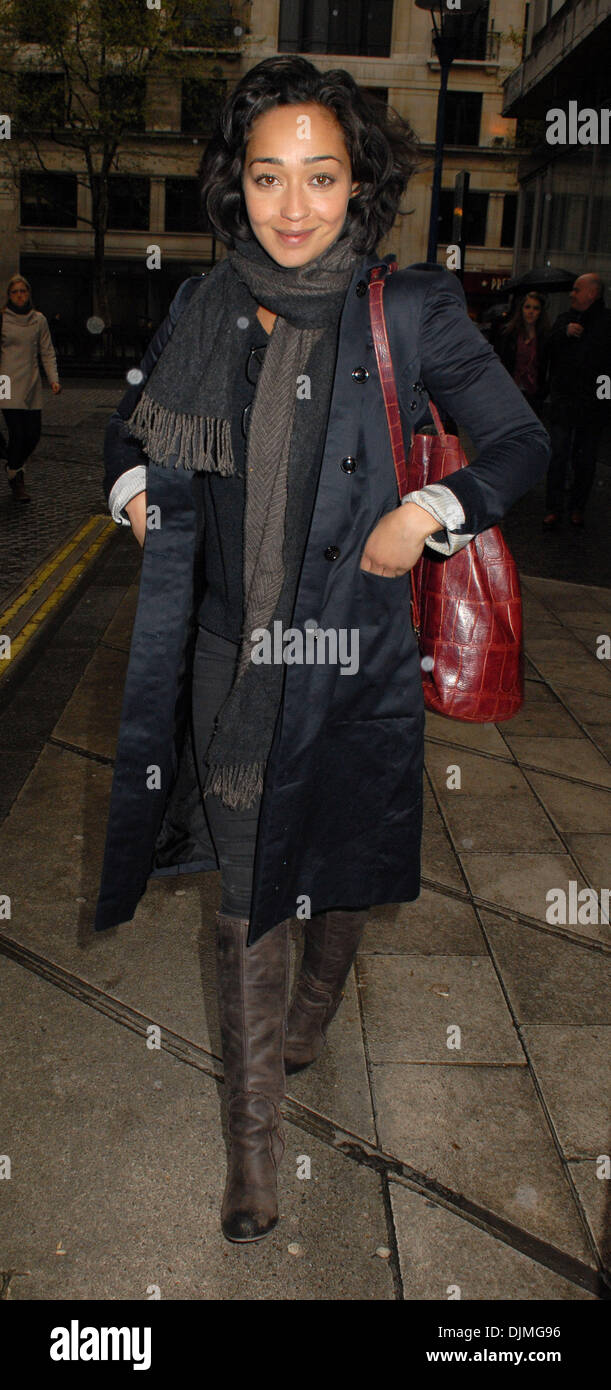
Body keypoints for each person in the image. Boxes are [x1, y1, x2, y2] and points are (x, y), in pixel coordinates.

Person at [95, 56, 550, 1244]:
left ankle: (314, 1006)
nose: (290, 208)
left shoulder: (410, 310)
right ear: (233, 185)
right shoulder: (201, 308)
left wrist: (432, 512)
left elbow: (518, 442)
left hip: (351, 657)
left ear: (358, 184)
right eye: (265, 178)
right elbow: (127, 428)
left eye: (319, 177)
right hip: (228, 655)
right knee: (241, 897)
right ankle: (255, 1149)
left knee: (336, 862)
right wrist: (137, 485)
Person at [543, 272, 611, 529]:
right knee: (558, 455)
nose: (572, 294)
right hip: (563, 404)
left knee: (585, 460)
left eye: (576, 289)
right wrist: (563, 333)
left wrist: (605, 402)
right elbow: (547, 349)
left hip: (592, 407)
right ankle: (554, 507)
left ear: (592, 293)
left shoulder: (606, 323)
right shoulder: (565, 320)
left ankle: (577, 507)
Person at [0, 274, 61, 502]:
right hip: (5, 382)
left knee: (33, 435)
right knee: (17, 432)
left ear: (29, 294)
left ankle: (13, 465)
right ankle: (16, 477)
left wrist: (53, 379)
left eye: (23, 291)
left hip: (31, 382)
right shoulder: (2, 319)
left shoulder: (39, 320)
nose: (19, 295)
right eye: (15, 292)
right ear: (9, 296)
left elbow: (47, 351)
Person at [496, 291, 550, 415]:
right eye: (527, 307)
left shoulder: (544, 337)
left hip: (533, 391)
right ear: (521, 309)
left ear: (541, 312)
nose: (531, 312)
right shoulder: (509, 334)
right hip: (511, 389)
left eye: (535, 308)